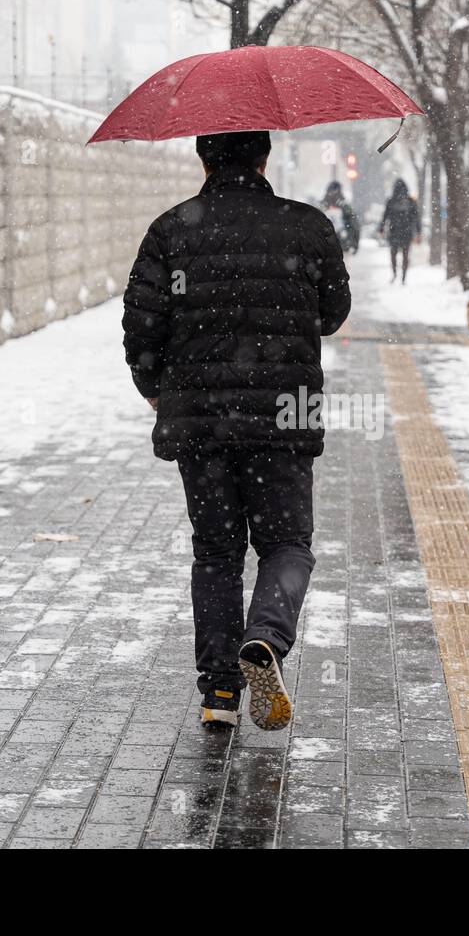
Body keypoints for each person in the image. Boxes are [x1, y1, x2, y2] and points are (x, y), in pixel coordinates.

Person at [122, 131, 352, 732]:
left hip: (200, 421)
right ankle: (267, 638)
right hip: (286, 412)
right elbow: (332, 313)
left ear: (203, 157)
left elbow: (142, 325)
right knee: (286, 545)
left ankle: (220, 693)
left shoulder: (172, 229)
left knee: (217, 553)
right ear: (264, 157)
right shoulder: (307, 226)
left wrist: (158, 391)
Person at [378, 179, 423, 283]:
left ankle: (394, 274)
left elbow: (385, 217)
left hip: (394, 231)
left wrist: (381, 229)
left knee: (393, 254)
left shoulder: (390, 201)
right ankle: (403, 276)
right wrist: (418, 231)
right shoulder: (411, 202)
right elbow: (416, 218)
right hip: (407, 232)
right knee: (405, 255)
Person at [320, 180, 360, 254]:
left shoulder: (322, 206)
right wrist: (354, 244)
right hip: (343, 244)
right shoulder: (345, 206)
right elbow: (355, 226)